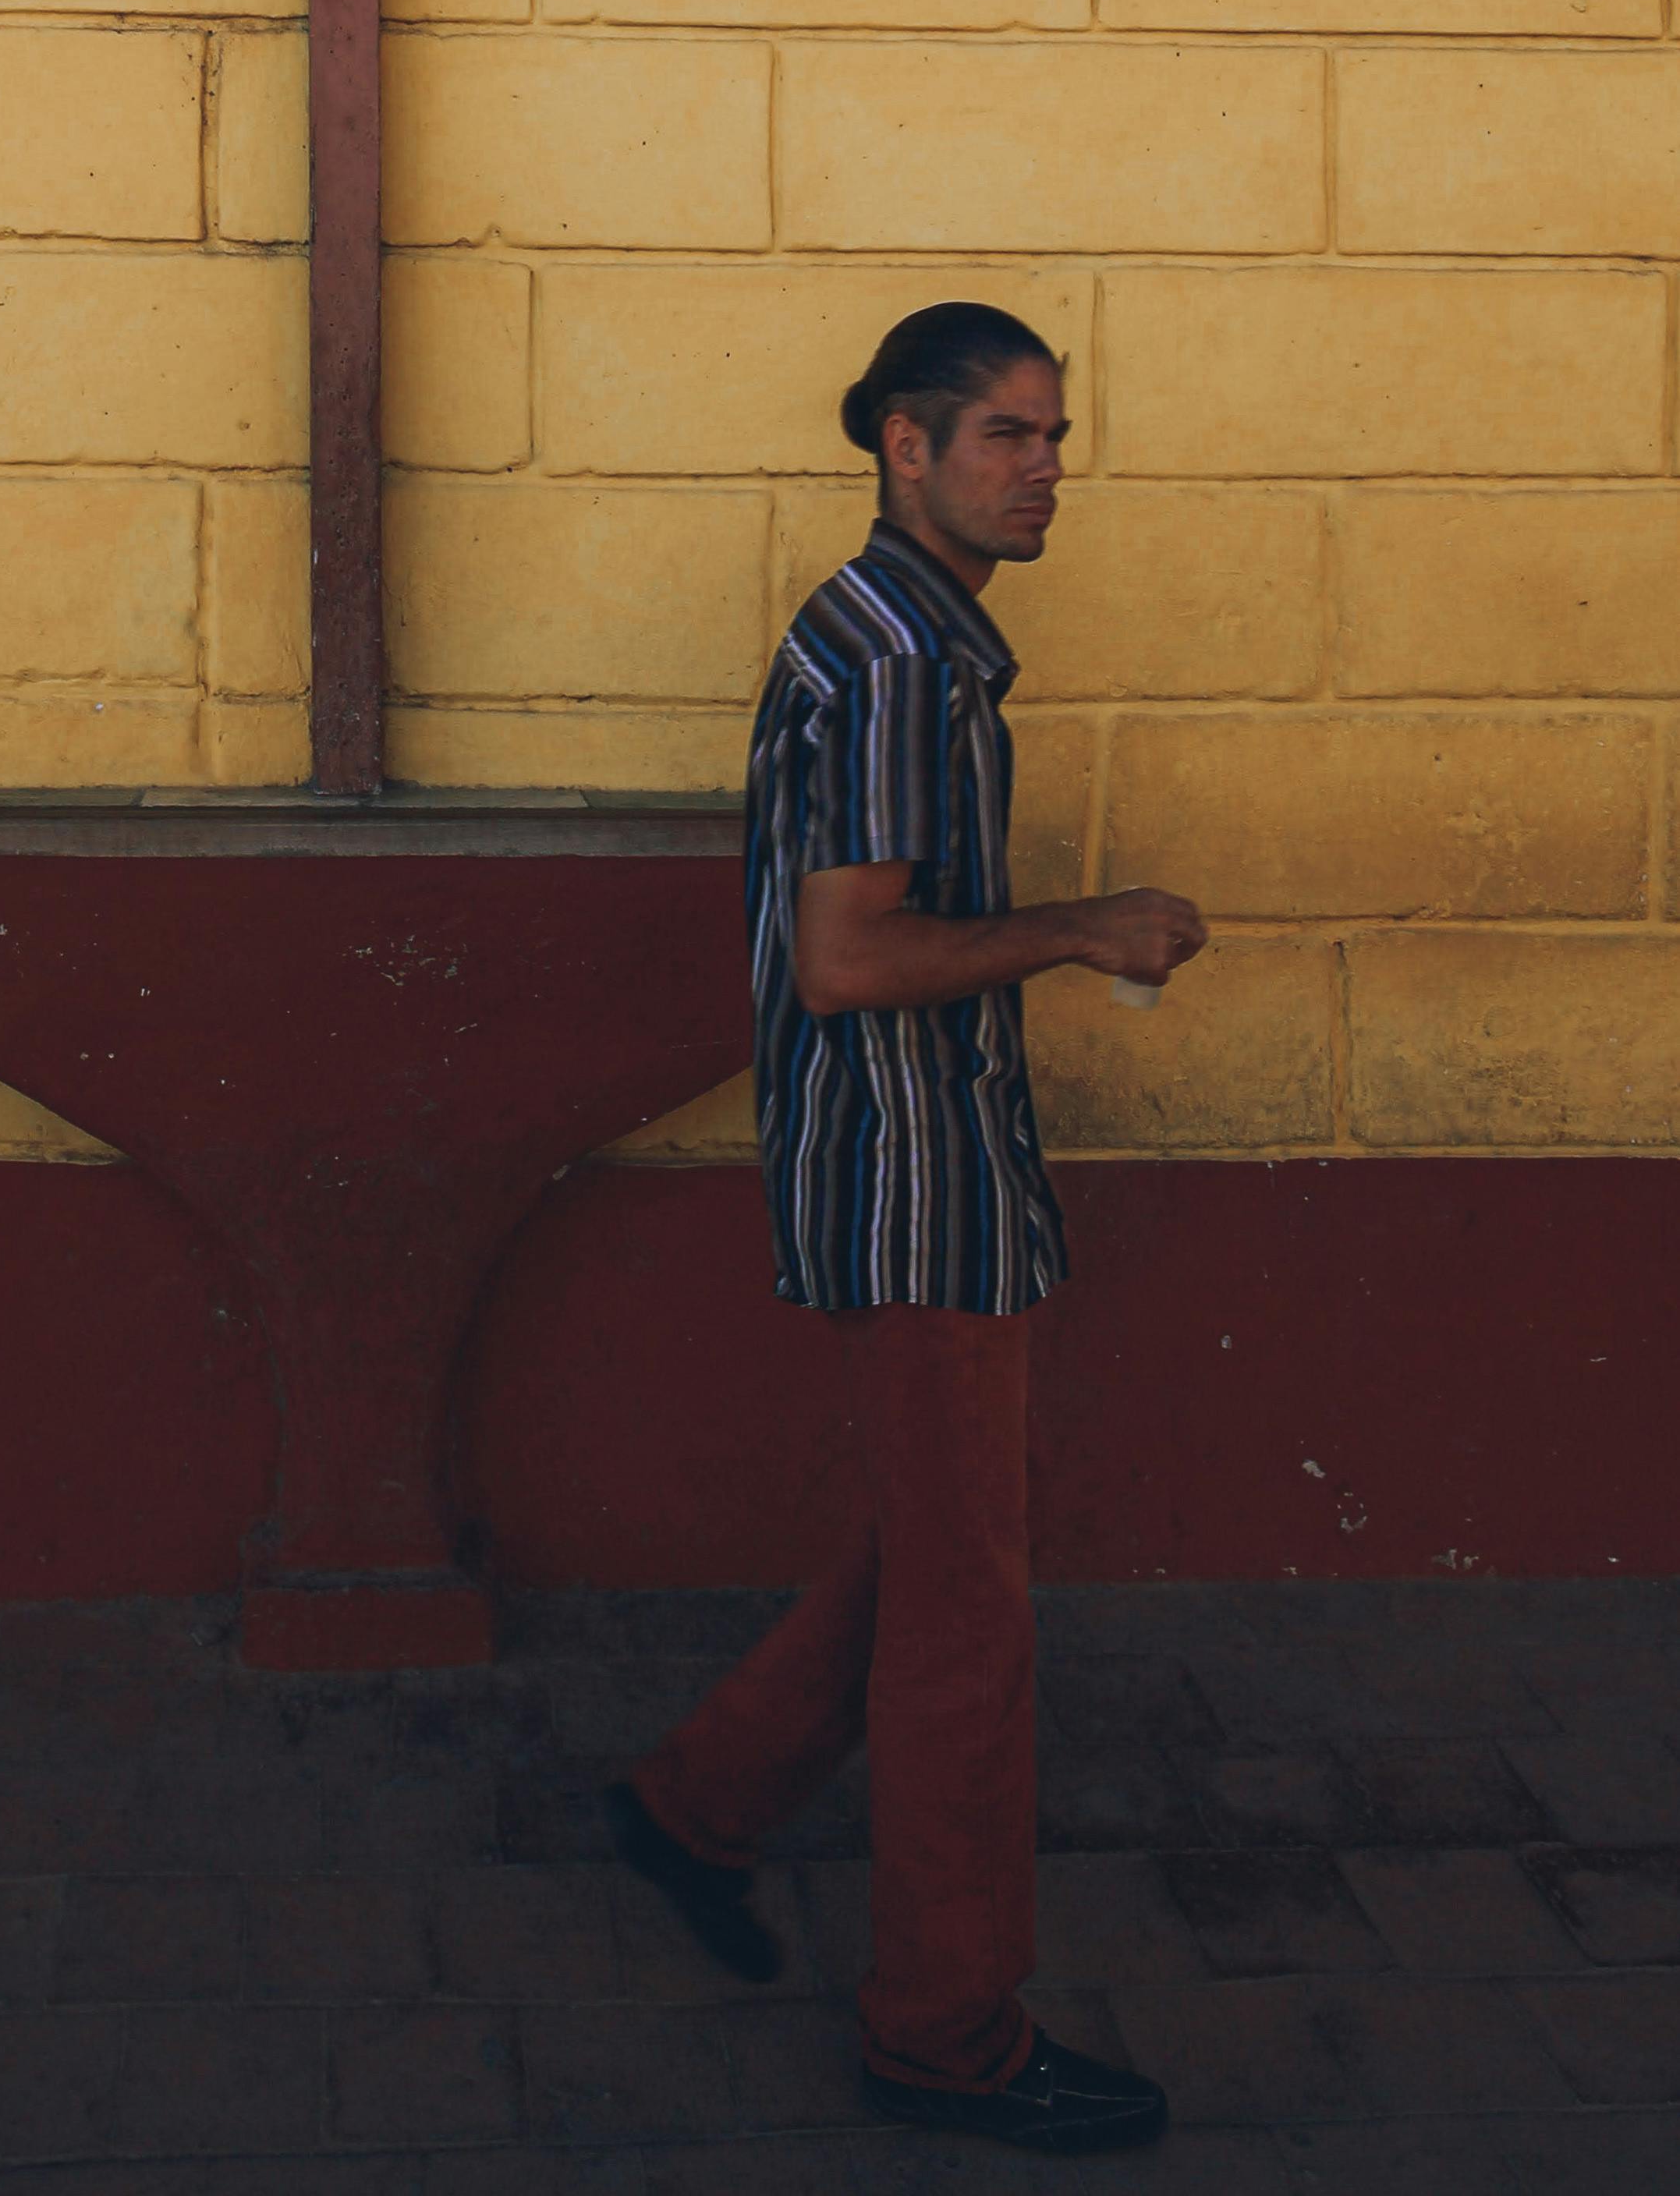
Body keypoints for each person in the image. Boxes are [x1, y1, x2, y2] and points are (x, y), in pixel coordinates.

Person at [608, 303, 1208, 2158]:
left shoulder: (904, 634)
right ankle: (945, 2033)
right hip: (909, 1186)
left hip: (933, 1169)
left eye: (1054, 434)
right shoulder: (895, 665)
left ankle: (694, 1806)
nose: (1044, 469)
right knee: (967, 1629)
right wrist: (1082, 926)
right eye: (1006, 435)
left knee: (935, 1549)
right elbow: (847, 958)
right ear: (904, 445)